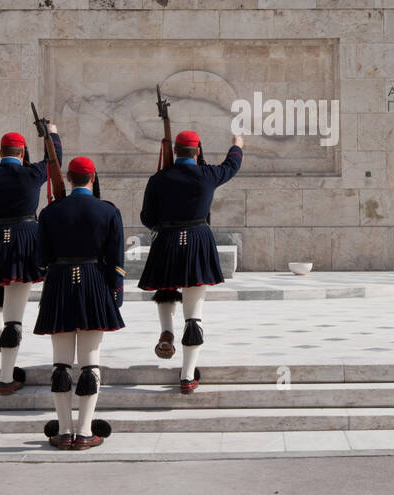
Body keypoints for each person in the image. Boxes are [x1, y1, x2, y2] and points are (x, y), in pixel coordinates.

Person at [138, 130, 243, 393]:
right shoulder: (207, 175)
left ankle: (166, 332)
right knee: (193, 316)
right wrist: (237, 146)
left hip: (168, 238)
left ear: (175, 152)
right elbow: (232, 166)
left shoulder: (158, 179)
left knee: (166, 287)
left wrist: (164, 226)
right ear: (198, 152)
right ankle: (186, 376)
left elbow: (147, 217)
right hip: (197, 238)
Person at [33, 156, 125, 451]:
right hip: (95, 283)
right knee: (90, 363)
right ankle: (85, 432)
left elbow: (40, 259)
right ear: (93, 177)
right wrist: (115, 293)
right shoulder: (107, 211)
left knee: (61, 364)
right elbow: (116, 259)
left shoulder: (50, 212)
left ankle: (62, 431)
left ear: (69, 179)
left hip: (59, 282)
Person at [0, 127, 62, 395]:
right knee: (14, 317)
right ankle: (6, 378)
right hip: (25, 243)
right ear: (21, 152)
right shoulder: (32, 174)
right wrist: (52, 135)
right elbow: (55, 161)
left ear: (0, 153)